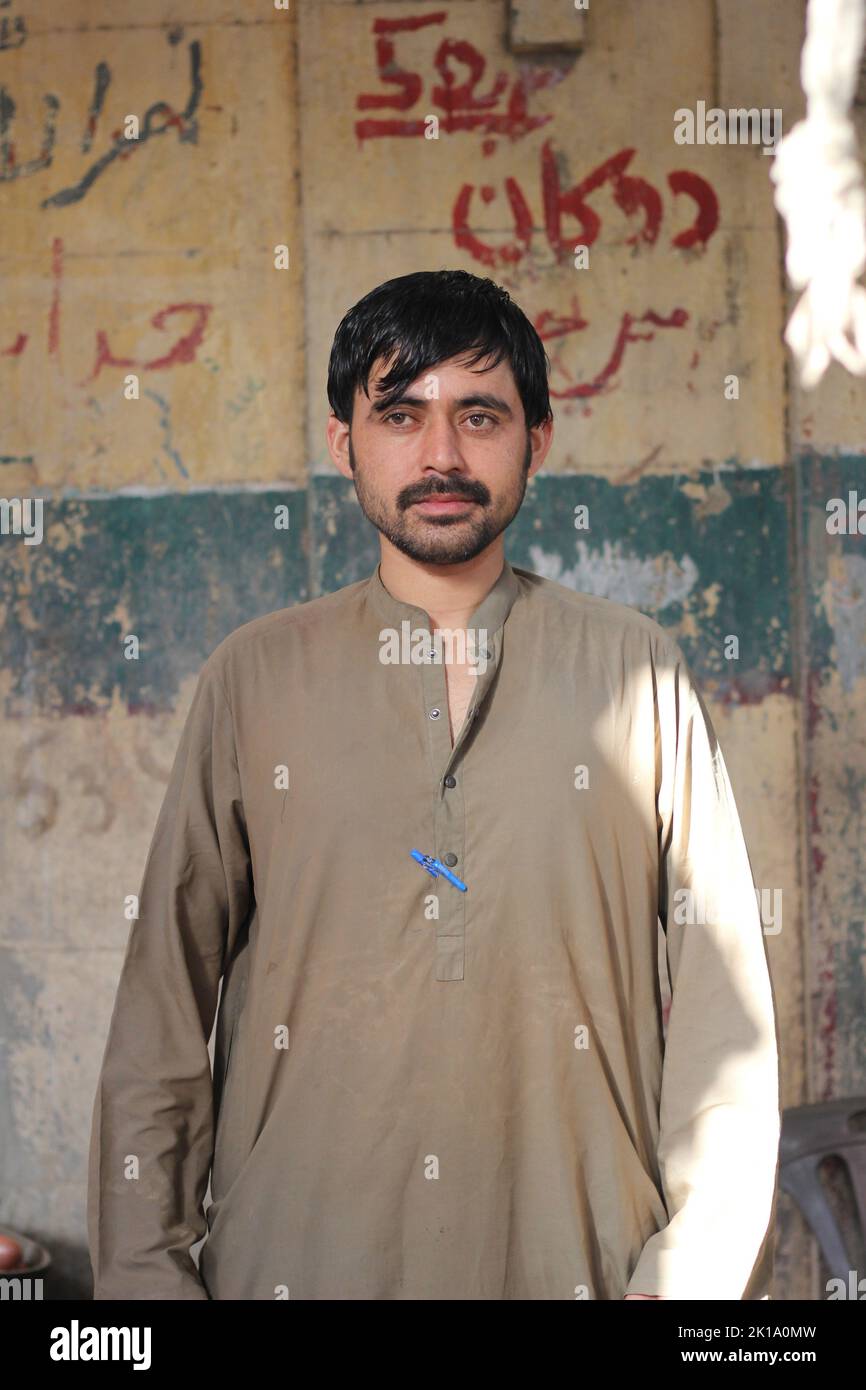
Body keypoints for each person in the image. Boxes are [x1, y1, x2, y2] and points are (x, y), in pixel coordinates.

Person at [87, 269, 781, 1300]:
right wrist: (146, 1283)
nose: (441, 455)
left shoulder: (635, 673)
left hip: (577, 1264)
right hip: (298, 1261)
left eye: (480, 415)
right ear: (344, 443)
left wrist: (684, 1285)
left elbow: (727, 1030)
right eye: (400, 415)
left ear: (535, 440)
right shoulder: (256, 677)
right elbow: (162, 1007)